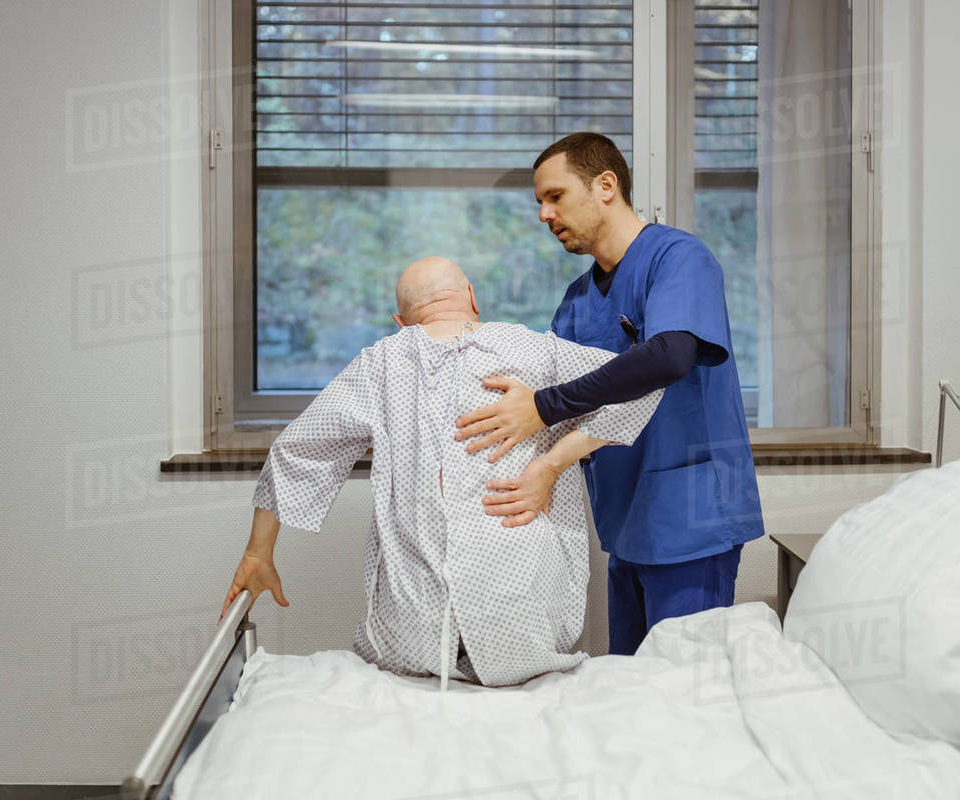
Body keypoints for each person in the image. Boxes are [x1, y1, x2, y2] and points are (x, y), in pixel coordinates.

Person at [220, 257, 662, 690]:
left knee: (405, 663)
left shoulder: (381, 364)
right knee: (533, 671)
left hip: (416, 621)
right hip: (521, 601)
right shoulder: (534, 349)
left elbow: (296, 449)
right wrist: (553, 462)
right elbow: (642, 383)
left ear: (400, 320)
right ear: (471, 296)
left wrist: (259, 554)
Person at [455, 132, 765, 656]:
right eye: (539, 203)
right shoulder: (577, 301)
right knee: (628, 695)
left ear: (605, 185)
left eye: (554, 196)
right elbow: (557, 400)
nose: (543, 215)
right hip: (625, 523)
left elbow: (669, 356)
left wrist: (543, 407)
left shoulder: (678, 257)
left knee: (682, 695)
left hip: (689, 518)